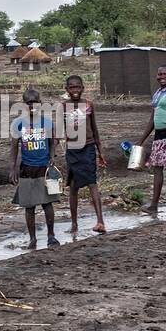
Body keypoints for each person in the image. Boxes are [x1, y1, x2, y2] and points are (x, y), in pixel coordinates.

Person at [10, 87, 59, 248]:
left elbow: (52, 143)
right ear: (23, 105)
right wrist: (13, 168)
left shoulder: (47, 122)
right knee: (29, 206)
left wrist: (52, 158)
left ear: (40, 104)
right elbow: (14, 148)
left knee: (47, 203)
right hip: (26, 168)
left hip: (44, 168)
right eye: (28, 103)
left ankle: (51, 236)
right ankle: (33, 239)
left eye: (35, 102)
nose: (32, 106)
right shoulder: (17, 124)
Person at [135, 64, 166, 213]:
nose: (162, 77)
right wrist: (141, 140)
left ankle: (154, 206)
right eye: (160, 74)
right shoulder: (157, 93)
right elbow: (152, 120)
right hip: (159, 136)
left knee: (159, 170)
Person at [62, 74, 107, 233]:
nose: (75, 90)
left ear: (83, 88)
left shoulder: (88, 105)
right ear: (67, 89)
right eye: (72, 87)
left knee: (92, 183)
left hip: (88, 148)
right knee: (73, 187)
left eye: (78, 87)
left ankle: (100, 221)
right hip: (72, 150)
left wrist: (100, 151)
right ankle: (74, 224)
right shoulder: (63, 107)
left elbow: (95, 129)